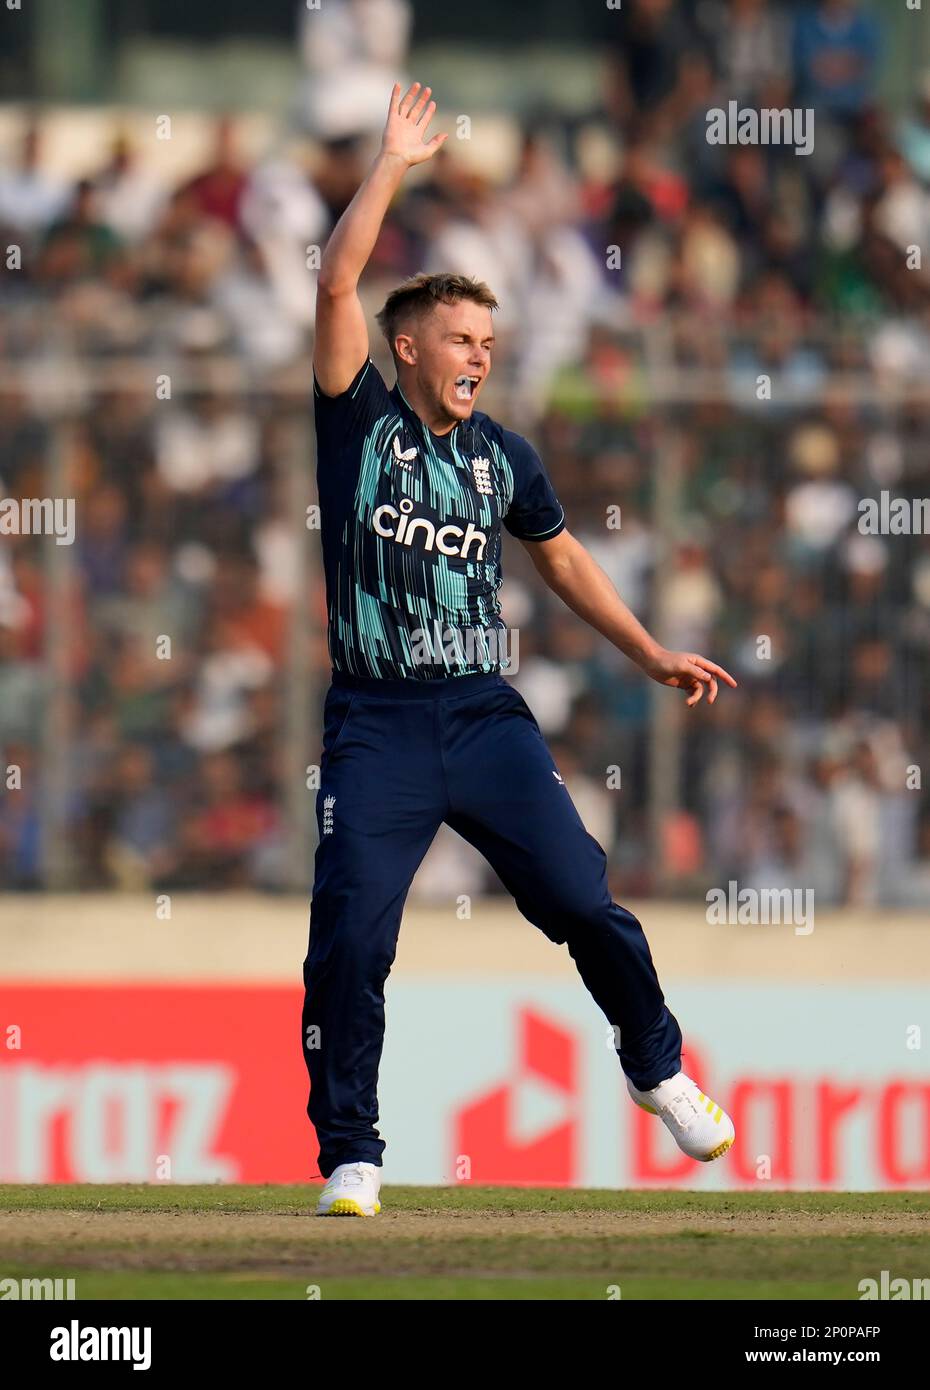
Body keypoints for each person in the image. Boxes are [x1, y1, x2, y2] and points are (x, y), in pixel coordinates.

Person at [302, 84, 738, 1217]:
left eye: (488, 341)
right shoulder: (357, 417)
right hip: (378, 721)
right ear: (408, 346)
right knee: (351, 934)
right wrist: (394, 162)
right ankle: (353, 1154)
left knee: (588, 903)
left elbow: (563, 563)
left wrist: (648, 653)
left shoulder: (503, 457)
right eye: (458, 337)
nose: (477, 355)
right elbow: (335, 280)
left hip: (483, 716)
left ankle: (657, 1066)